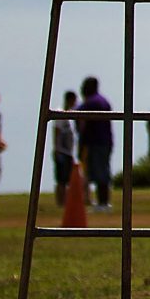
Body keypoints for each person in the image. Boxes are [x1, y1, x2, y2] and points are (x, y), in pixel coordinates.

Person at [76, 77, 114, 210]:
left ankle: (102, 203)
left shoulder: (90, 103)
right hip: (106, 141)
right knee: (103, 171)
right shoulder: (104, 101)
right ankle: (103, 201)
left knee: (99, 173)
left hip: (94, 142)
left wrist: (81, 144)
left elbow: (81, 123)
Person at [53, 90, 79, 206]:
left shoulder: (70, 115)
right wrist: (56, 149)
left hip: (68, 152)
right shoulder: (61, 114)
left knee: (67, 178)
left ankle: (65, 201)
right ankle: (60, 201)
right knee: (61, 179)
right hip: (61, 151)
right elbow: (56, 131)